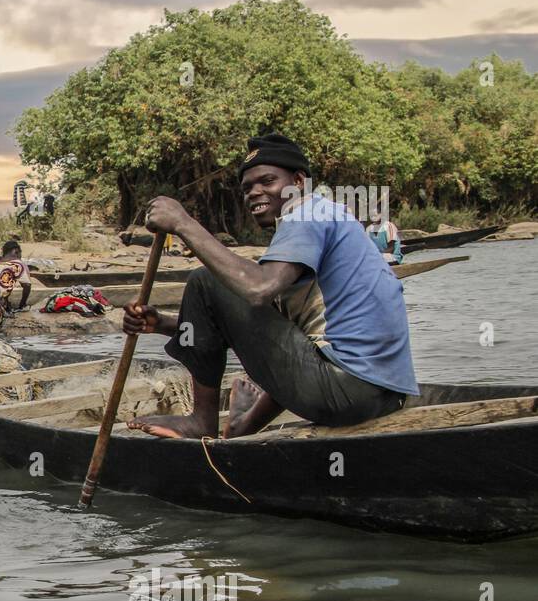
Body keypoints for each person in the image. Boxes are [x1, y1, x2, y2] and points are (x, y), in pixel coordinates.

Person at [122, 132, 417, 440]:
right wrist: (163, 324)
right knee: (236, 294)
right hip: (386, 396)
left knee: (205, 281)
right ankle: (241, 425)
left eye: (267, 181)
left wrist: (183, 223)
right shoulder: (326, 215)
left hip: (349, 390)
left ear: (300, 181)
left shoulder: (305, 214)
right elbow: (281, 330)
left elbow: (258, 291)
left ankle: (201, 421)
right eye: (247, 187)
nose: (254, 192)